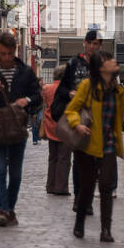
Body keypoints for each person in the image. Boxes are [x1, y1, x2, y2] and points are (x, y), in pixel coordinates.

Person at [0, 32, 42, 227]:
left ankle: (10, 208)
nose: (6, 58)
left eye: (10, 54)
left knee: (16, 173)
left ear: (15, 51)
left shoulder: (26, 72)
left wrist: (26, 100)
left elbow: (37, 97)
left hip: (17, 129)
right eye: (3, 53)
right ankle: (3, 210)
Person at [64, 50, 124, 243]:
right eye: (109, 59)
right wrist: (77, 125)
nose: (114, 61)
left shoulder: (118, 91)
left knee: (106, 185)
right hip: (88, 144)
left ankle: (106, 229)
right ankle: (79, 222)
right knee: (87, 186)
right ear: (100, 67)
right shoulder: (87, 86)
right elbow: (71, 109)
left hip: (107, 143)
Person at [50, 30, 103, 213]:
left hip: (96, 117)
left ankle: (86, 199)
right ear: (85, 43)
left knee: (93, 162)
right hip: (78, 116)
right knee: (80, 159)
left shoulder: (102, 65)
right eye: (91, 43)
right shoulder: (74, 64)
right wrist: (71, 93)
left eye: (96, 44)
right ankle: (80, 199)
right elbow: (61, 90)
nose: (93, 47)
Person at [42, 66, 71, 196]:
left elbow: (44, 105)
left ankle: (50, 185)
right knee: (64, 158)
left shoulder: (46, 88)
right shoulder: (69, 90)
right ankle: (61, 187)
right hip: (65, 125)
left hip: (50, 125)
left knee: (52, 157)